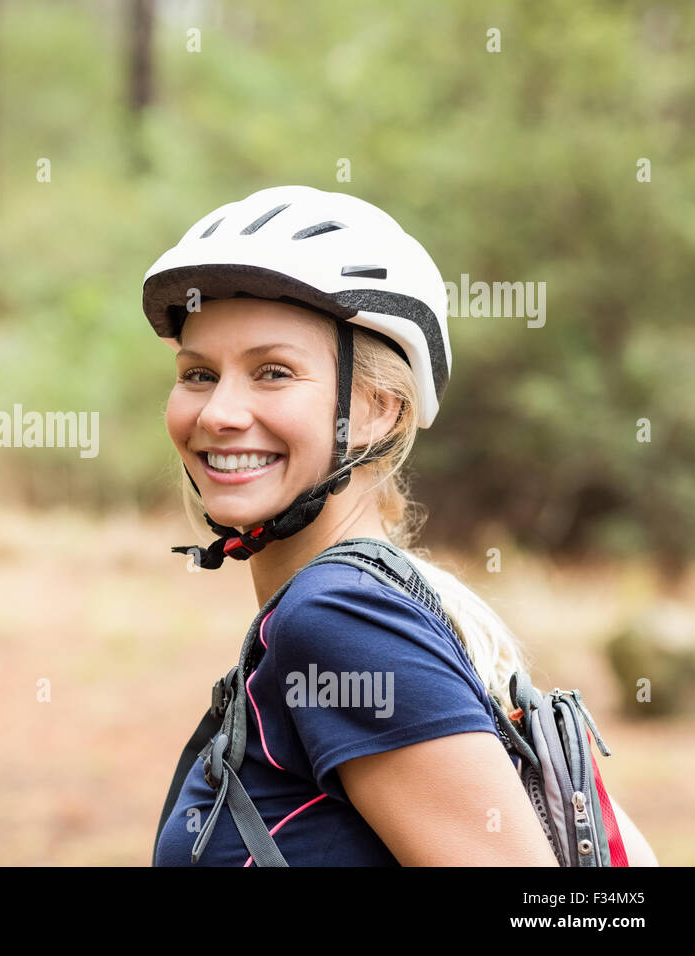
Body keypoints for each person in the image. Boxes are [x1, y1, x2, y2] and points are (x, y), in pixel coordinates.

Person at [144, 184, 657, 866]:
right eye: (199, 375)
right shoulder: (377, 603)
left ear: (381, 408)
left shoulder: (337, 618)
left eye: (272, 372)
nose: (218, 414)